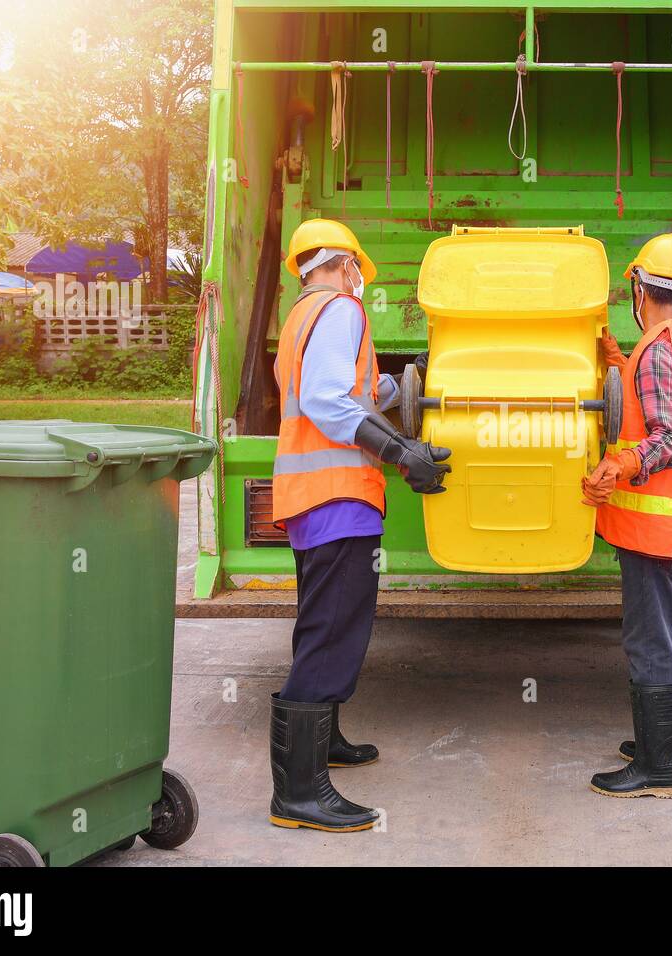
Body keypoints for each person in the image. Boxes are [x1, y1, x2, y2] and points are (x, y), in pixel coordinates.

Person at [268, 218, 451, 832]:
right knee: (333, 631)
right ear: (344, 264)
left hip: (312, 499)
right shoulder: (341, 308)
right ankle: (299, 794)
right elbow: (328, 400)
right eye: (358, 270)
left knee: (322, 624)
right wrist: (402, 452)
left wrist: (411, 379)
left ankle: (326, 744)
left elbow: (359, 391)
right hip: (337, 500)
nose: (360, 281)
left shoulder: (300, 318)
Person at [582, 233, 672, 800]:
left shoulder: (659, 350)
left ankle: (656, 772)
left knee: (650, 640)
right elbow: (656, 401)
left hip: (655, 528)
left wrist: (620, 464)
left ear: (642, 288)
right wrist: (617, 359)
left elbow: (669, 439)